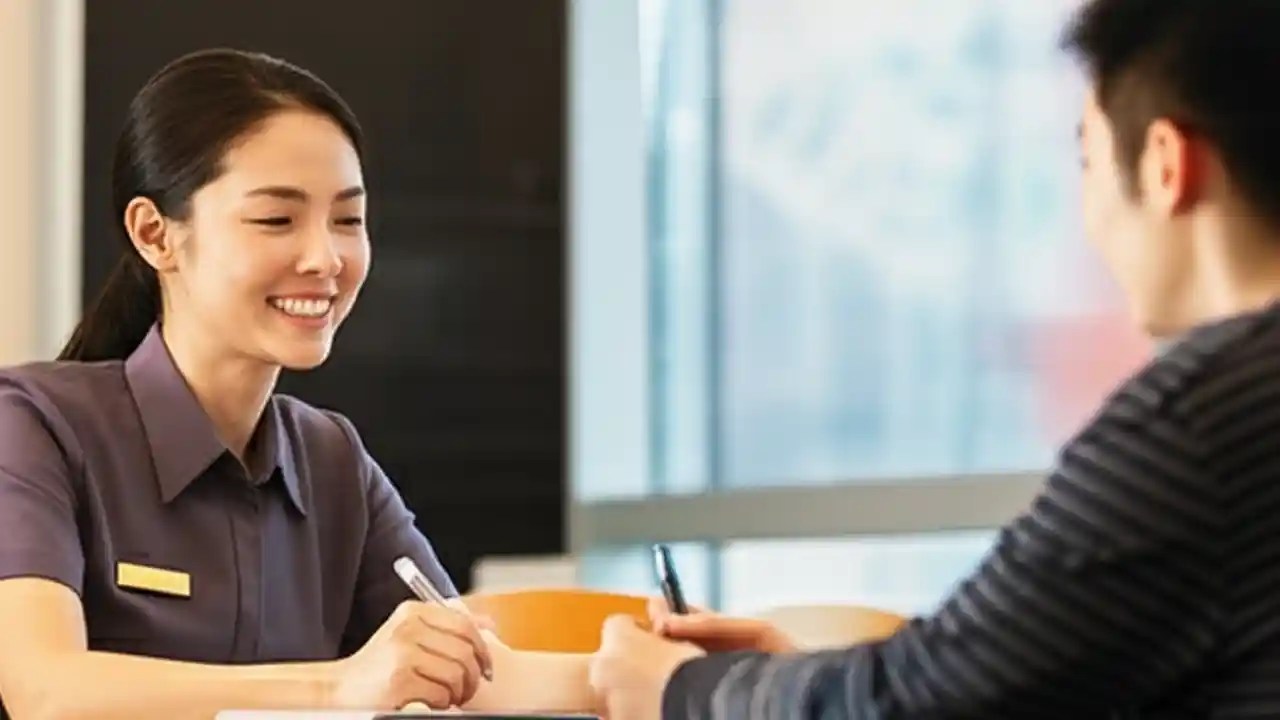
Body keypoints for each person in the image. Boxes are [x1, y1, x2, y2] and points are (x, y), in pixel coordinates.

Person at [589, 0, 1280, 717]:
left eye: (1088, 159)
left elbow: (929, 703)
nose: (1087, 210)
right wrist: (793, 678)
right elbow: (1016, 672)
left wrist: (684, 693)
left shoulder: (1201, 426)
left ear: (1167, 165)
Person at [0, 48, 594, 719]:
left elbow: (478, 673)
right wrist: (338, 686)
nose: (326, 258)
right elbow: (45, 689)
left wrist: (674, 671)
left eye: (347, 219)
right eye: (276, 220)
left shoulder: (333, 460)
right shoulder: (31, 425)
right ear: (155, 234)